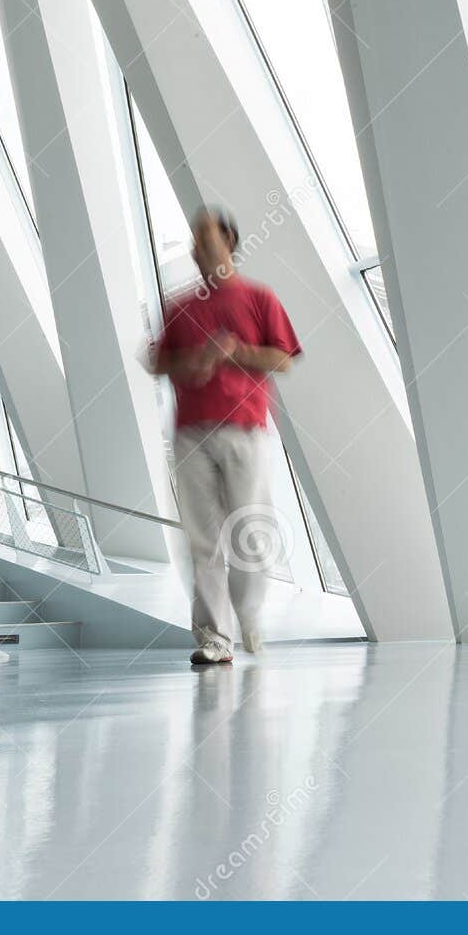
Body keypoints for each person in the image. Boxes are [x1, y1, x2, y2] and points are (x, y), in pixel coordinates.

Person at [151, 205, 302, 665]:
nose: (197, 248)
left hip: (244, 429)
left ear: (230, 243)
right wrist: (195, 362)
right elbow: (159, 363)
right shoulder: (180, 307)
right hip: (191, 433)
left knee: (250, 533)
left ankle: (248, 612)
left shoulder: (259, 298)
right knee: (202, 540)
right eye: (194, 241)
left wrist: (234, 352)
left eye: (206, 239)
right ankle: (214, 638)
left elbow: (283, 358)